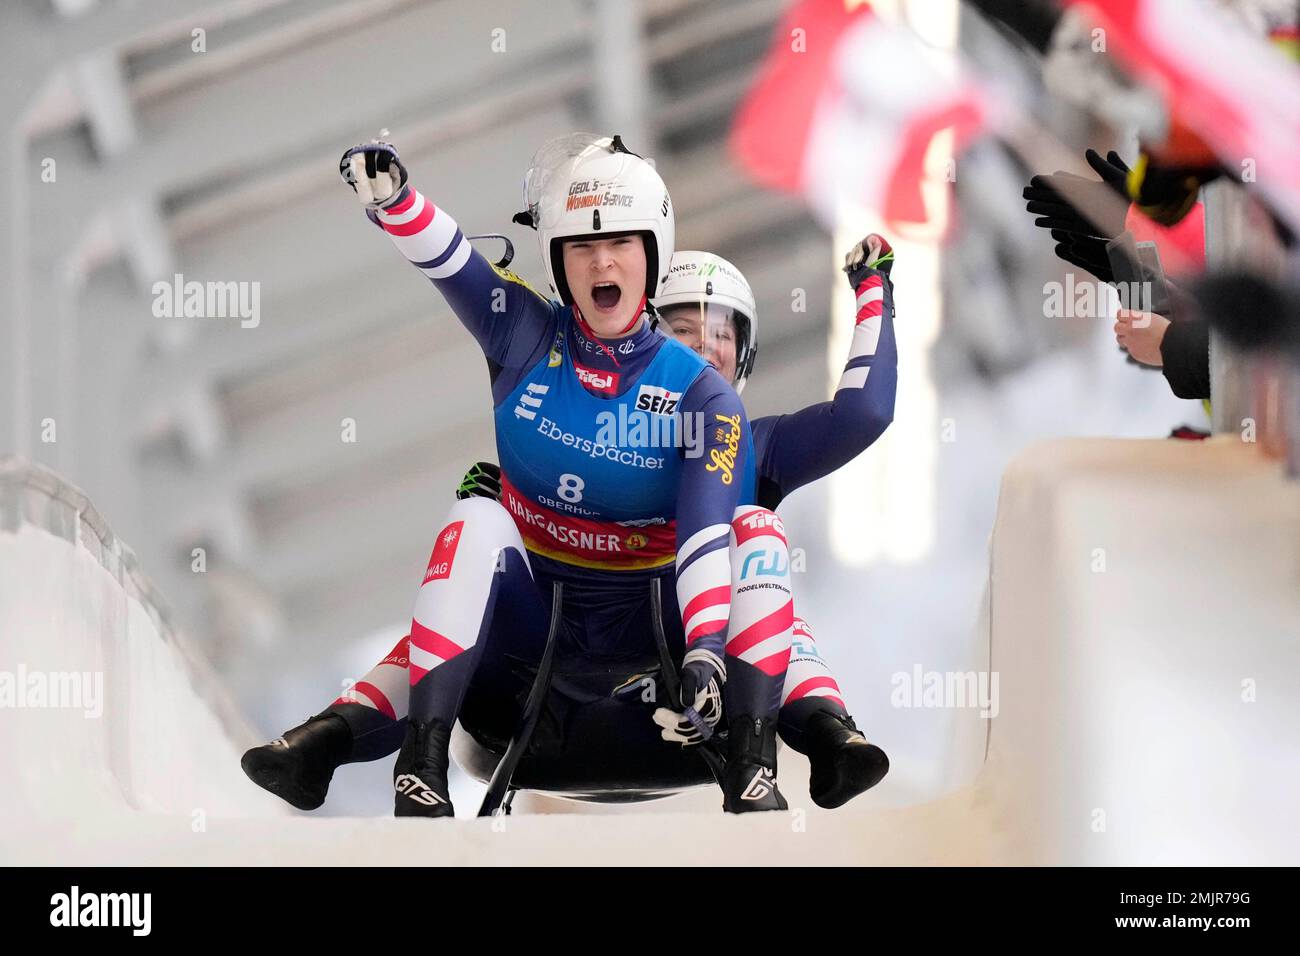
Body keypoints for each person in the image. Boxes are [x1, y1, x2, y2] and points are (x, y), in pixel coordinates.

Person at [245, 234, 899, 812]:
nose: (705, 343)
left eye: (723, 331)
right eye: (684, 327)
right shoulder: (568, 432)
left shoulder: (750, 445)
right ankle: (333, 741)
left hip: (686, 695)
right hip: (541, 672)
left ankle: (821, 740)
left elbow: (862, 415)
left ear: (743, 356)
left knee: (756, 537)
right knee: (476, 534)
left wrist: (874, 293)